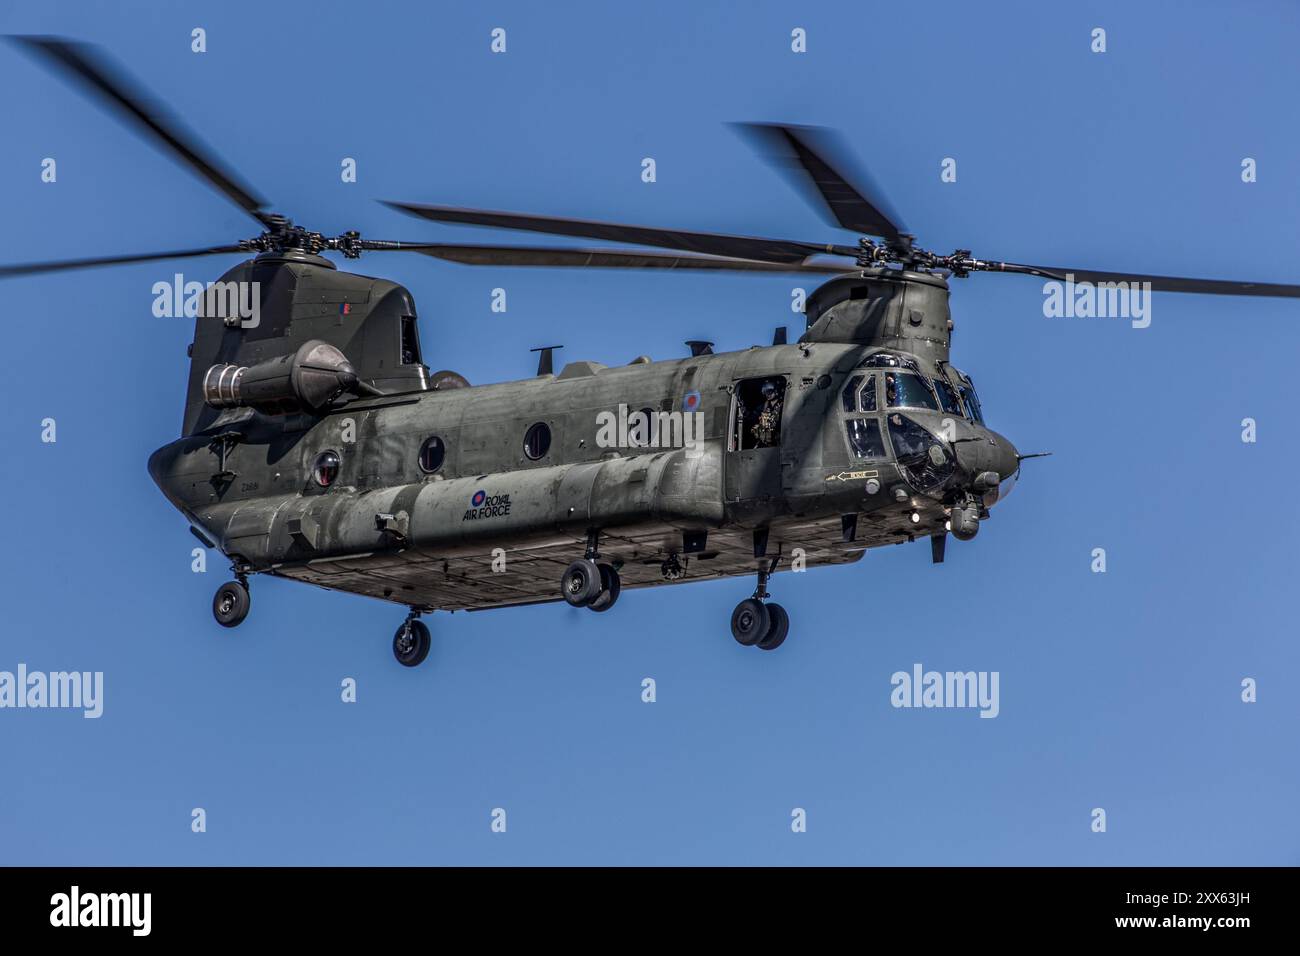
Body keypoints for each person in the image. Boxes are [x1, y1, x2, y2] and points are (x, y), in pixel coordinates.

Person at [751, 380, 782, 448]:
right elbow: (753, 418)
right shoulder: (763, 406)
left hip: (779, 441)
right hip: (765, 441)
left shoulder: (782, 405)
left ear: (776, 391)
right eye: (765, 392)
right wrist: (745, 413)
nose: (767, 395)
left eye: (770, 392)